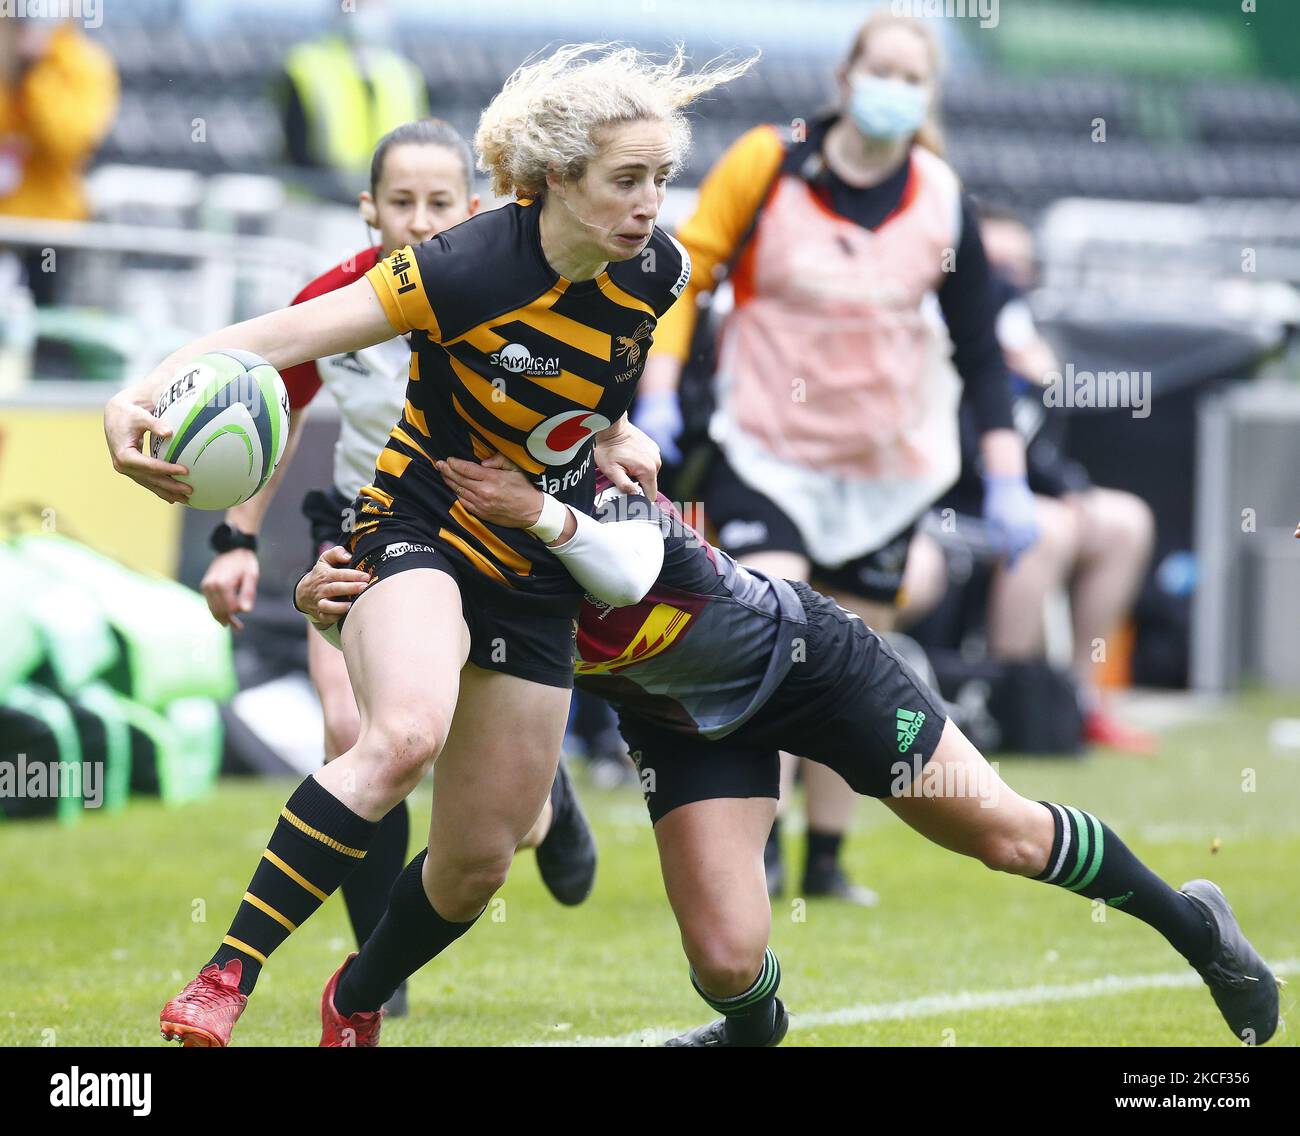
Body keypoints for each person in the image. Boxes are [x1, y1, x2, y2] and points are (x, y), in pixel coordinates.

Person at [104, 42, 754, 1047]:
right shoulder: (461, 267)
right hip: (420, 527)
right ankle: (225, 975)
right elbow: (276, 339)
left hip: (535, 567)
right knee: (402, 734)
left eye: (661, 180)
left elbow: (585, 389)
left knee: (476, 864)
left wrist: (612, 434)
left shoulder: (655, 270)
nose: (650, 205)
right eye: (627, 180)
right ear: (555, 179)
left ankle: (355, 995)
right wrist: (136, 395)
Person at [299, 454, 1281, 1048]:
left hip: (818, 669)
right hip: (684, 725)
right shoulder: (441, 557)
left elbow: (627, 559)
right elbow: (411, 655)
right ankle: (751, 1030)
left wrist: (547, 507)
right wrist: (333, 607)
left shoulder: (592, 492)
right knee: (728, 959)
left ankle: (1198, 929)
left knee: (1007, 836)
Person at [196, 119, 600, 1021]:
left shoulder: (511, 288)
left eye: (439, 202)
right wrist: (236, 539)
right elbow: (271, 412)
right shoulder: (334, 301)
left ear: (476, 206)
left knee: (490, 818)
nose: (420, 220)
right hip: (366, 527)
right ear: (368, 209)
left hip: (493, 543)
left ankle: (547, 804)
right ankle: (380, 971)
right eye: (402, 202)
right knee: (359, 731)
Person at [636, 11, 1038, 904]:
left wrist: (1007, 474)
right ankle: (761, 849)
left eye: (912, 76)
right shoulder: (769, 163)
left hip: (884, 467)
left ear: (928, 94)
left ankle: (825, 856)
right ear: (847, 77)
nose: (893, 88)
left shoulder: (940, 196)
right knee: (772, 632)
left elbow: (980, 350)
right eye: (879, 69)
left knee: (856, 651)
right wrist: (658, 389)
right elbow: (683, 278)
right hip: (765, 446)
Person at [909, 209, 1159, 753]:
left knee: (1126, 522)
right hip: (949, 504)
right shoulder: (936, 329)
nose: (1008, 279)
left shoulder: (1027, 335)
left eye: (1019, 266)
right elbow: (966, 447)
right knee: (1048, 530)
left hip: (1016, 495)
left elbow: (1041, 445)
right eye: (995, 265)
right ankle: (1004, 702)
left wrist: (1046, 400)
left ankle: (1080, 700)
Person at [0, 13, 119, 303]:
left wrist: (36, 72)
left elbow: (67, 142)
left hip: (50, 226)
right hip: (6, 218)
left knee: (47, 319)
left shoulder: (83, 64)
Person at [279, 0, 428, 199]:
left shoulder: (404, 74)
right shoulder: (305, 66)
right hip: (317, 201)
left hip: (386, 200)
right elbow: (295, 148)